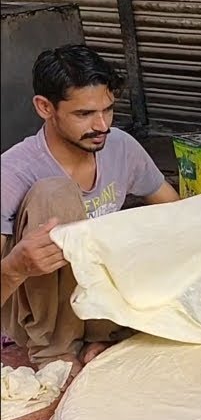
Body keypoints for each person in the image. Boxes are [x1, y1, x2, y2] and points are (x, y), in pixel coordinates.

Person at [1, 45, 178, 369]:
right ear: (44, 107)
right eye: (83, 114)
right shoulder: (12, 171)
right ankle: (56, 351)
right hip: (40, 311)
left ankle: (105, 336)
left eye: (108, 110)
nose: (101, 126)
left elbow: (176, 217)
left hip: (99, 301)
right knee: (55, 194)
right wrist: (16, 266)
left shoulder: (121, 147)